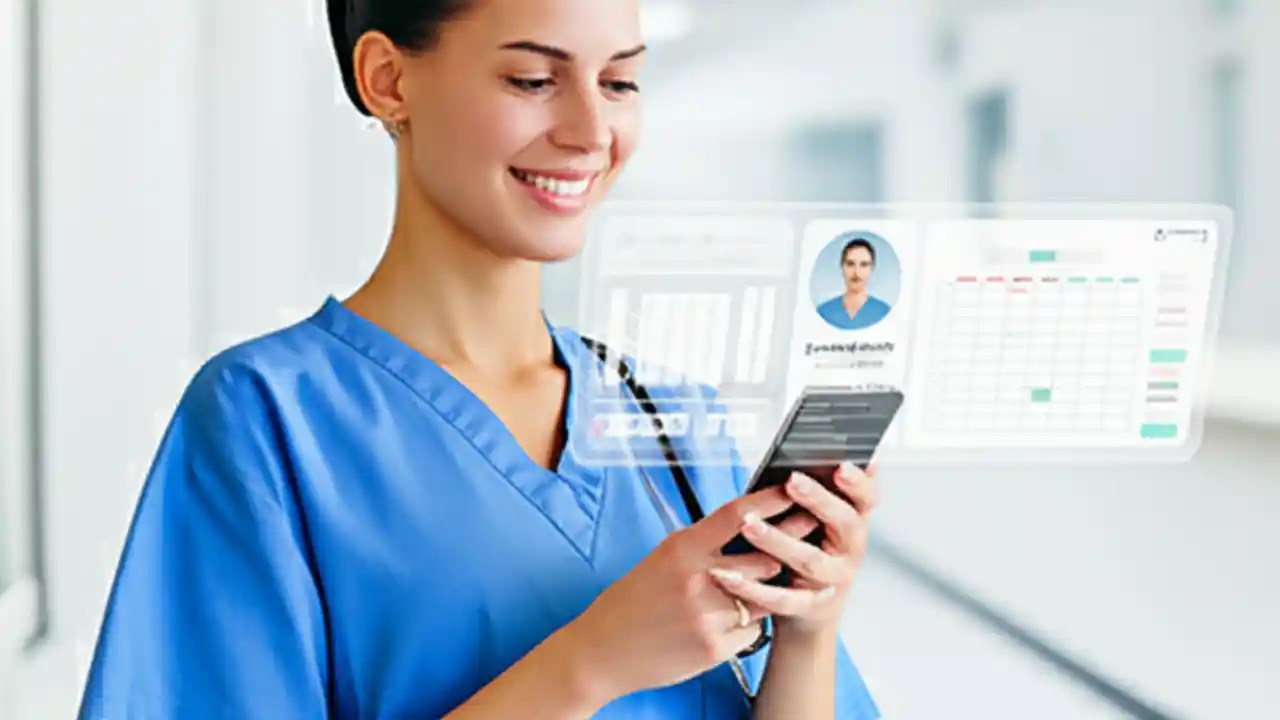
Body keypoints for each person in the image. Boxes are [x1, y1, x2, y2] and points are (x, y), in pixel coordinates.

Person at [78, 1, 883, 717]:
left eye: (619, 83)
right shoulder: (267, 420)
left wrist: (809, 632)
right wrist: (592, 661)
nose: (591, 132)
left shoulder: (672, 417)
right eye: (534, 80)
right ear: (388, 79)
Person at [817, 238, 893, 331]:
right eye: (850, 264)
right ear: (842, 267)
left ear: (872, 268)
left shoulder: (884, 312)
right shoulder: (824, 312)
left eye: (864, 264)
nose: (856, 272)